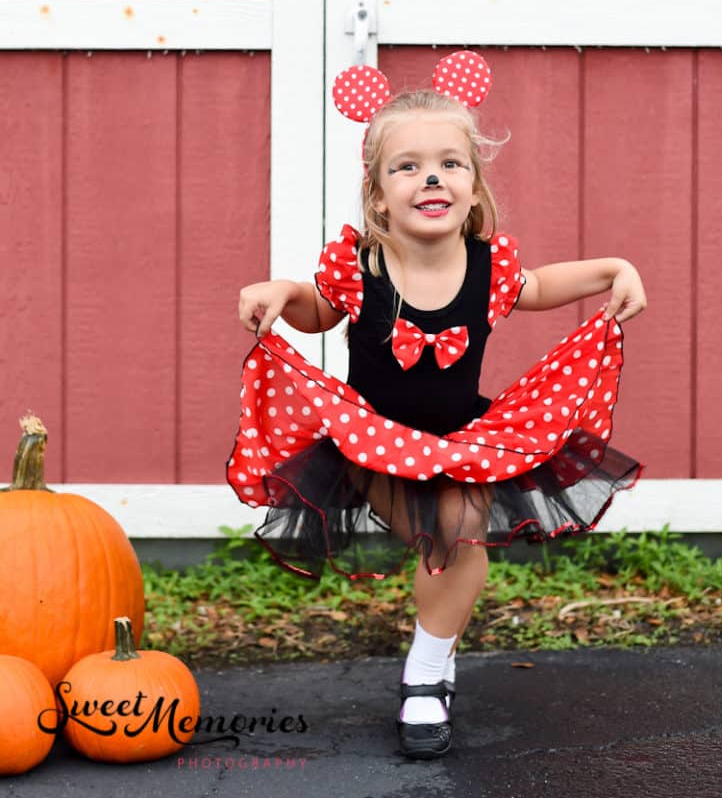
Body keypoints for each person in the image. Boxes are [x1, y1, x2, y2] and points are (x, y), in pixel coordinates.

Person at [229, 51, 646, 760]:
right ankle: (434, 661)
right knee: (447, 541)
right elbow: (314, 309)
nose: (431, 178)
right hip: (374, 443)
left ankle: (425, 672)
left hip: (462, 440)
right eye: (408, 166)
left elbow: (545, 285)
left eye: (450, 163)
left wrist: (615, 269)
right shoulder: (359, 266)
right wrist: (280, 292)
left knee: (459, 533)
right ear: (377, 197)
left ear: (473, 188)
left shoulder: (489, 268)